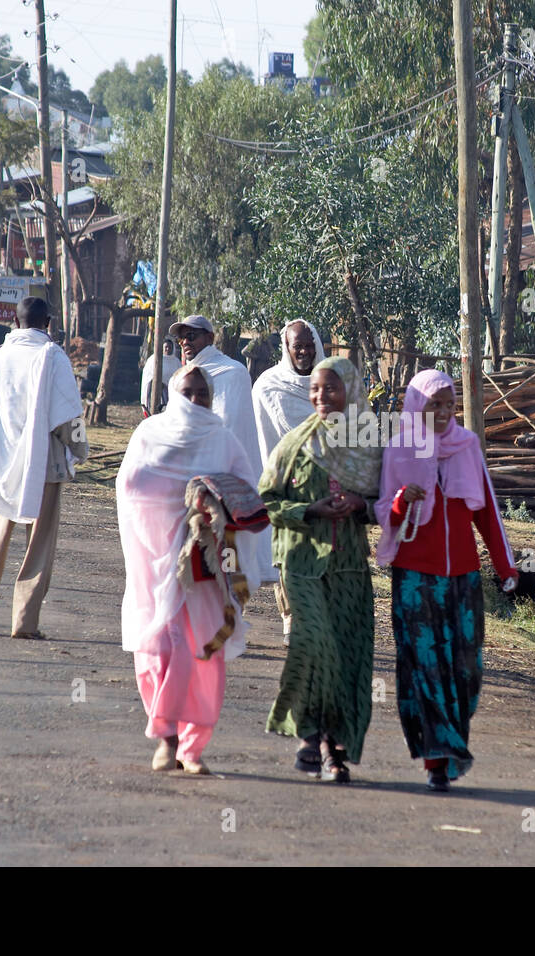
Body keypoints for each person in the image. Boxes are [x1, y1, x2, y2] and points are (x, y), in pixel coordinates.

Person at [376, 370, 519, 793]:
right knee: (426, 668)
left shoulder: (468, 445)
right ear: (417, 406)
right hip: (414, 578)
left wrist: (506, 565)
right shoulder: (399, 448)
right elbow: (385, 510)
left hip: (463, 579)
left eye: (448, 402)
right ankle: (438, 759)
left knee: (466, 669)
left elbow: (487, 509)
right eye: (434, 403)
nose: (442, 411)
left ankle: (450, 744)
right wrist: (403, 500)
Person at [117, 364, 262, 775]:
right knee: (159, 647)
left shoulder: (223, 440)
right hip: (158, 563)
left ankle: (191, 748)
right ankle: (165, 737)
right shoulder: (148, 434)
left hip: (205, 567)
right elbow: (129, 489)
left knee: (199, 650)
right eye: (189, 391)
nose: (196, 399)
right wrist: (174, 503)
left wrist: (211, 504)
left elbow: (246, 495)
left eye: (203, 392)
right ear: (173, 393)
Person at [260, 356, 381, 783]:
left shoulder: (369, 446)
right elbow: (268, 501)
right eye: (314, 389)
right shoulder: (293, 445)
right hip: (301, 566)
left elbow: (388, 500)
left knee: (347, 657)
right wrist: (309, 509)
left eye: (330, 388)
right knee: (314, 647)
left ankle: (333, 746)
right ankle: (308, 734)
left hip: (349, 570)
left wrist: (361, 506)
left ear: (350, 390)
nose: (320, 397)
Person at [0, 296, 89, 640]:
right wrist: (81, 449)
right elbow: (67, 416)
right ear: (48, 323)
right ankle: (25, 623)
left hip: (2, 462)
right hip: (42, 462)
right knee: (39, 542)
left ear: (15, 322)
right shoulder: (51, 356)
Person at [170, 313, 271, 586]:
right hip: (186, 480)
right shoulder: (179, 377)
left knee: (226, 565)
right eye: (181, 338)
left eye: (192, 336)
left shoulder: (233, 372)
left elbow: (230, 428)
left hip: (223, 483)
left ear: (210, 338)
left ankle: (230, 616)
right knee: (191, 562)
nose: (185, 342)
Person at [251, 319, 326, 640]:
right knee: (288, 554)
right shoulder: (269, 386)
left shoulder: (334, 382)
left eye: (310, 345)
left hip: (326, 485)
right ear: (287, 349)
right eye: (299, 347)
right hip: (285, 487)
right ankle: (291, 618)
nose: (305, 352)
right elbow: (261, 438)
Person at [139, 337, 181, 418]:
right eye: (166, 347)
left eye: (170, 347)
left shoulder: (176, 362)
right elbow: (147, 377)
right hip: (154, 392)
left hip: (171, 394)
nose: (168, 349)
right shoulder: (153, 359)